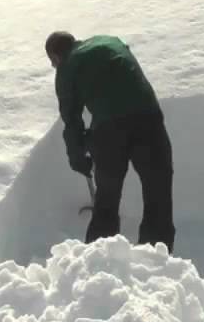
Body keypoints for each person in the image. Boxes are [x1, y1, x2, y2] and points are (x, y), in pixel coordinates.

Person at [46, 31, 175, 252]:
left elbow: (72, 120)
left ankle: (99, 257)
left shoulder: (67, 67)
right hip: (149, 118)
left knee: (107, 194)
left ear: (56, 58)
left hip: (111, 128)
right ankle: (157, 257)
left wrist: (78, 158)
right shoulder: (110, 41)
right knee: (158, 191)